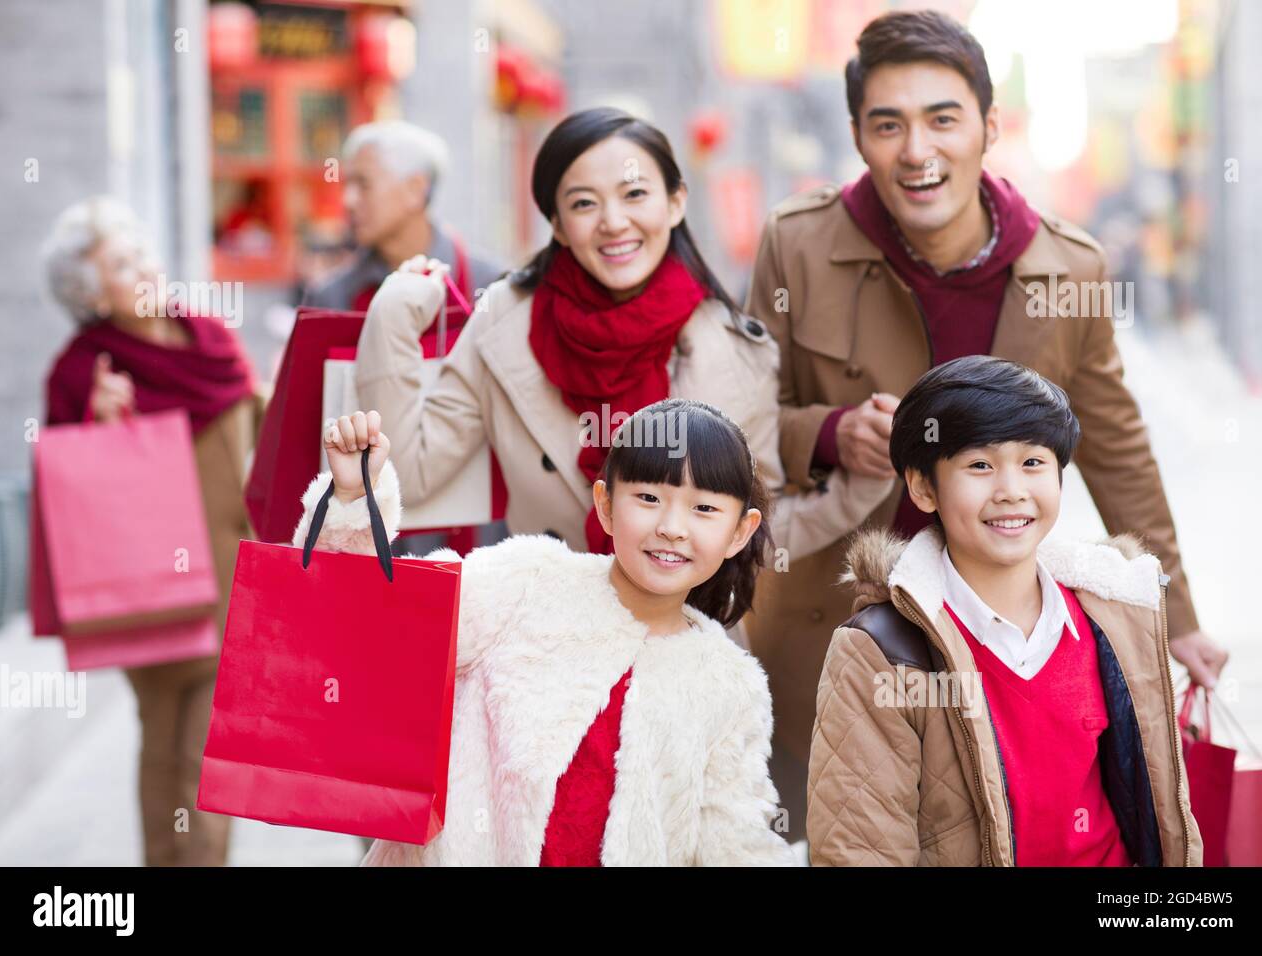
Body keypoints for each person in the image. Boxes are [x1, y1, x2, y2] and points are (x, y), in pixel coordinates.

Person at [744, 9, 1226, 838]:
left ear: (988, 127)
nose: (917, 150)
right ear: (859, 136)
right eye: (888, 124)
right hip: (834, 625)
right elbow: (746, 423)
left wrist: (1176, 619)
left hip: (1000, 626)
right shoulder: (798, 245)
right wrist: (827, 434)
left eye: (943, 118)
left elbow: (1115, 447)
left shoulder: (1066, 266)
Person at [354, 106, 892, 593]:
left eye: (634, 194)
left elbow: (756, 530)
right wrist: (391, 317)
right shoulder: (503, 325)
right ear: (559, 226)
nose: (613, 222)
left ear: (676, 202)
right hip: (543, 635)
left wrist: (863, 482)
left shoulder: (735, 348)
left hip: (684, 646)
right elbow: (413, 476)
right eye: (584, 203)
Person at [292, 400, 795, 866]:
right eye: (647, 497)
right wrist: (353, 500)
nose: (672, 527)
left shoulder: (730, 683)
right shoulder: (528, 581)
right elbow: (374, 627)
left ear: (740, 532)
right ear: (605, 504)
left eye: (704, 509)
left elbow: (732, 840)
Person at [807, 356, 1202, 866]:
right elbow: (859, 850)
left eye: (1033, 463)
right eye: (979, 465)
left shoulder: (1115, 617)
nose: (1012, 490)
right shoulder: (881, 652)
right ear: (924, 487)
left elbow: (1159, 810)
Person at [41, 196, 263, 866]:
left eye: (140, 251)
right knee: (166, 746)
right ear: (91, 292)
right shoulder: (85, 369)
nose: (142, 268)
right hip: (153, 588)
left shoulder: (210, 339)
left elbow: (256, 427)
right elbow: (66, 480)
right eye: (119, 263)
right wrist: (94, 423)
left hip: (236, 578)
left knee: (202, 759)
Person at [301, 120, 504, 312]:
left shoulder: (490, 286)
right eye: (347, 185)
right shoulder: (330, 298)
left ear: (415, 189)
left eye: (364, 184)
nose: (348, 200)